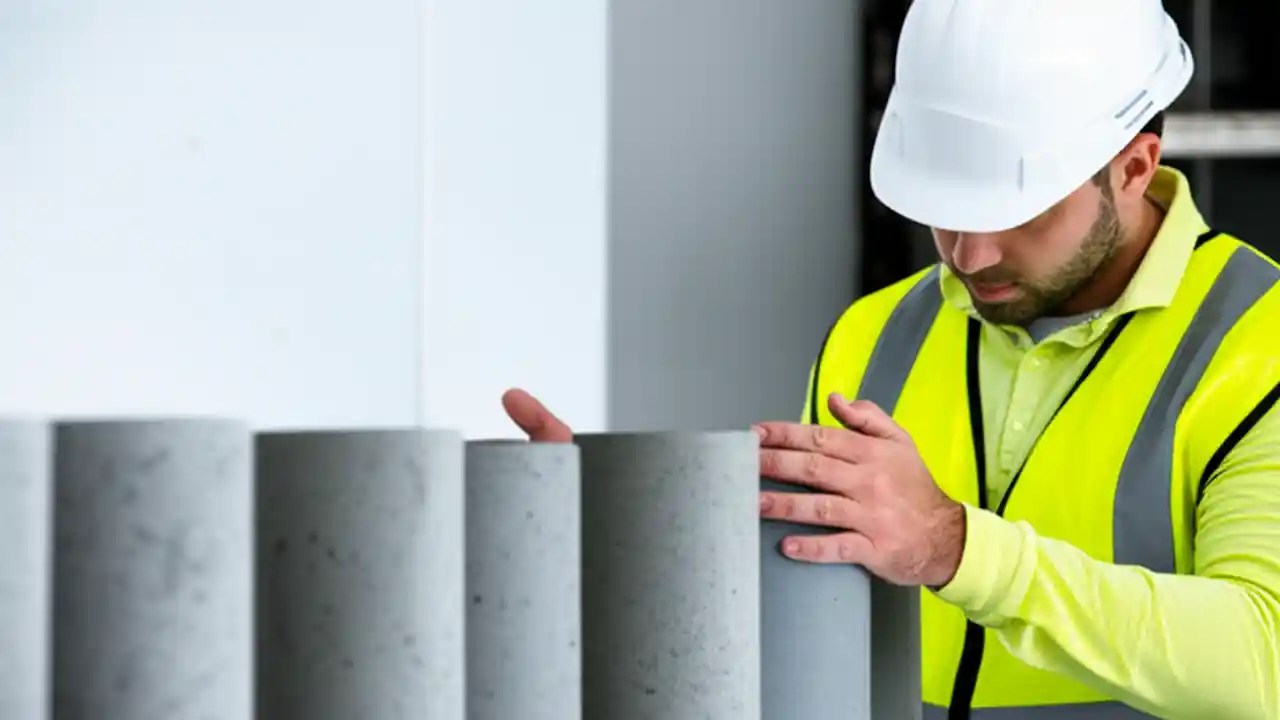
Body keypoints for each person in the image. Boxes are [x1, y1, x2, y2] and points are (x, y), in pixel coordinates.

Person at [503, 0, 1280, 717]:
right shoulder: (873, 337)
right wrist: (618, 543)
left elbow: (1263, 660)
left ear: (1134, 167)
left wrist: (958, 548)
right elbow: (794, 616)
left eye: (1016, 210)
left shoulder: (1258, 341)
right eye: (948, 206)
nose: (970, 254)